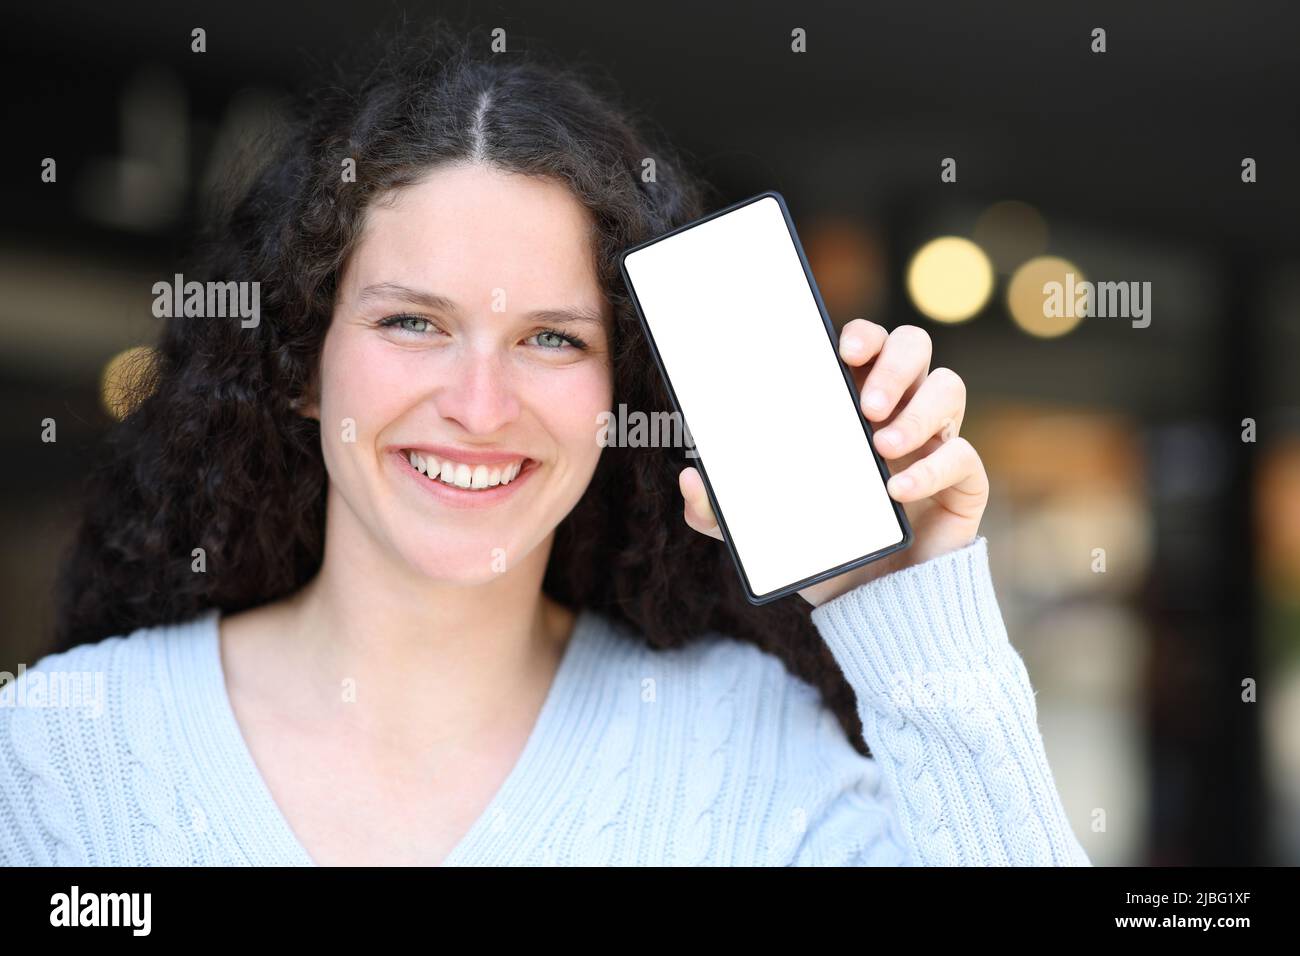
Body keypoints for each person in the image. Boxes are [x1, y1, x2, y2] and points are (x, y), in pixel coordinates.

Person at [0, 19, 1090, 866]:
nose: (480, 405)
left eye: (553, 338)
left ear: (618, 394)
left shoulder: (747, 748)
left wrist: (907, 605)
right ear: (298, 362)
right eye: (412, 322)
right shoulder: (62, 747)